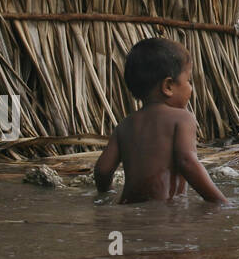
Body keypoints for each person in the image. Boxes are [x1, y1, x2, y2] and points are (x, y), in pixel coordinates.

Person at [95, 37, 229, 205]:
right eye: (188, 81)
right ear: (168, 86)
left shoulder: (124, 126)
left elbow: (102, 170)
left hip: (130, 214)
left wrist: (106, 193)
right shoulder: (182, 118)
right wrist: (220, 201)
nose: (190, 88)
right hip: (166, 213)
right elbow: (187, 161)